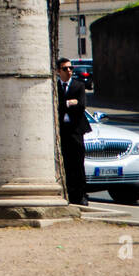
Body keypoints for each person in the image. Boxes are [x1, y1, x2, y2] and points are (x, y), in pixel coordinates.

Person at [56, 57, 90, 206]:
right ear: (58, 71)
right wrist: (69, 102)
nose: (69, 71)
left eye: (71, 68)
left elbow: (81, 106)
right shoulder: (55, 87)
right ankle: (67, 193)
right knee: (65, 163)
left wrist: (64, 104)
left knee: (78, 163)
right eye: (65, 68)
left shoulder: (78, 86)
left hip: (76, 130)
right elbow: (55, 106)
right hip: (61, 130)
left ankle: (81, 195)